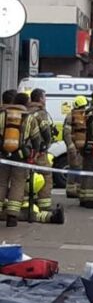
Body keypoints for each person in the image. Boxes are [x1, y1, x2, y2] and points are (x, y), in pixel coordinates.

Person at [0, 91, 40, 227]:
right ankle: (12, 216)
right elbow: (36, 140)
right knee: (18, 184)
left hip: (3, 155)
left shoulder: (2, 116)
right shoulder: (30, 118)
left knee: (1, 183)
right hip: (21, 157)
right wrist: (35, 153)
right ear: (26, 103)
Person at [26, 88, 56, 213]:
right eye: (44, 97)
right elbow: (45, 131)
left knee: (26, 176)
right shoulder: (41, 113)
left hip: (26, 150)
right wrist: (47, 143)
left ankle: (27, 202)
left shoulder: (26, 110)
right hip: (39, 151)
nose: (45, 100)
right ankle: (44, 204)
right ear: (40, 99)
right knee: (46, 175)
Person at [62, 95, 89, 199]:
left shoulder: (83, 116)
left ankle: (76, 190)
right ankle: (71, 190)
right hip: (74, 147)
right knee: (75, 167)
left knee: (79, 168)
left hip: (81, 147)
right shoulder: (71, 117)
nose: (84, 109)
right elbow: (66, 133)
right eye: (84, 106)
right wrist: (71, 146)